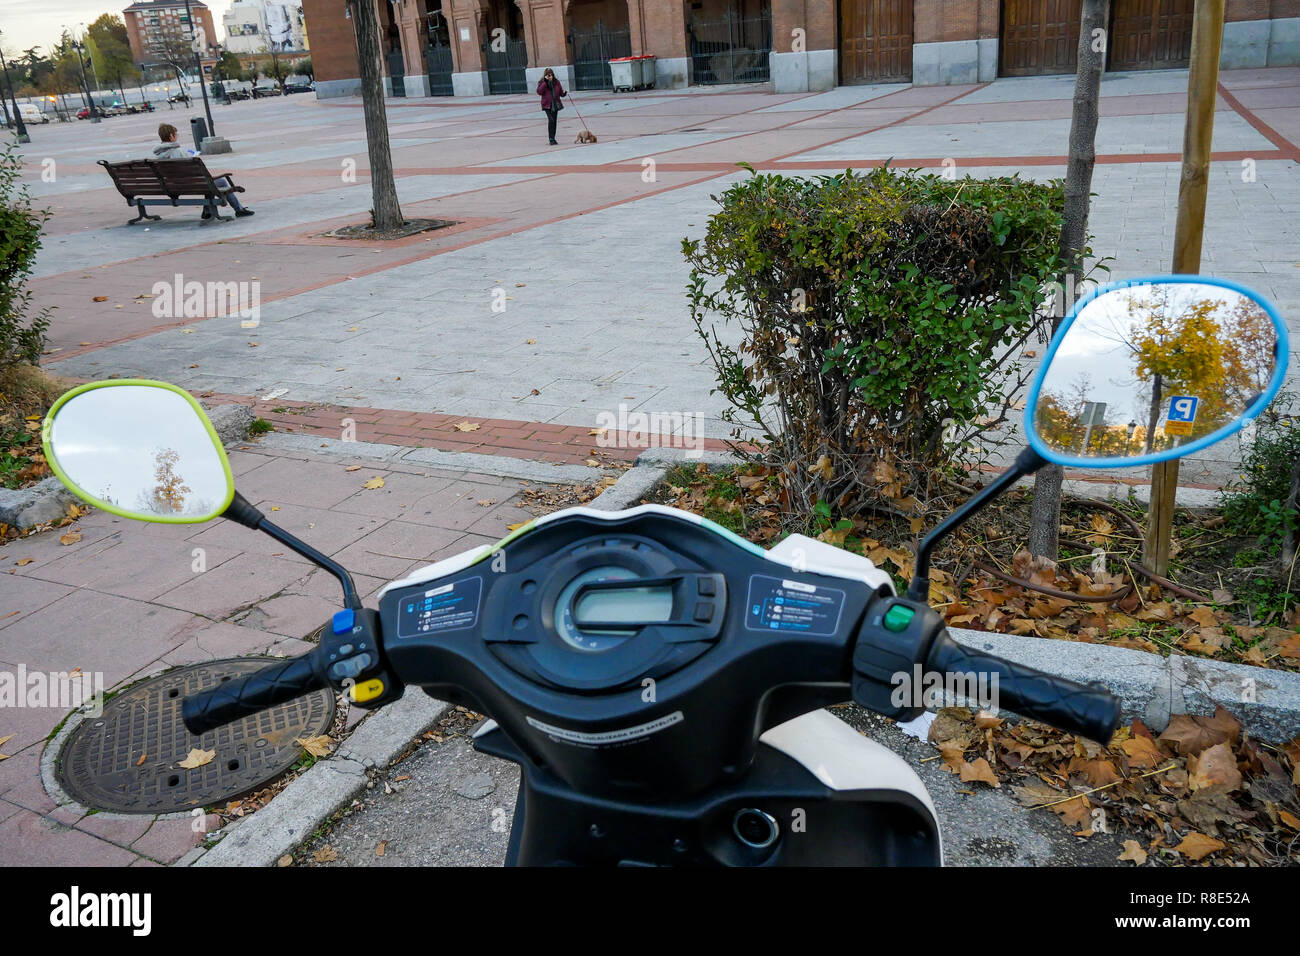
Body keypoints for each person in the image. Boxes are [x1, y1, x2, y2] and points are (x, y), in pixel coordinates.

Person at [151, 123, 254, 218]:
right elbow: (190, 171)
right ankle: (238, 209)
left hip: (171, 186)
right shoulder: (177, 152)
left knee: (209, 184)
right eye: (176, 134)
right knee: (219, 182)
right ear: (171, 136)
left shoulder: (158, 155)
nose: (177, 136)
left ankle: (208, 211)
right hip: (189, 184)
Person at [536, 68, 566, 146]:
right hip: (547, 105)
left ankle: (553, 138)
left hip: (555, 104)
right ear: (545, 75)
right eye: (548, 75)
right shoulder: (542, 82)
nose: (550, 76)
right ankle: (551, 138)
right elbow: (539, 92)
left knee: (554, 121)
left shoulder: (556, 82)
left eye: (551, 74)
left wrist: (564, 94)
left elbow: (560, 93)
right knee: (551, 120)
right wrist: (545, 82)